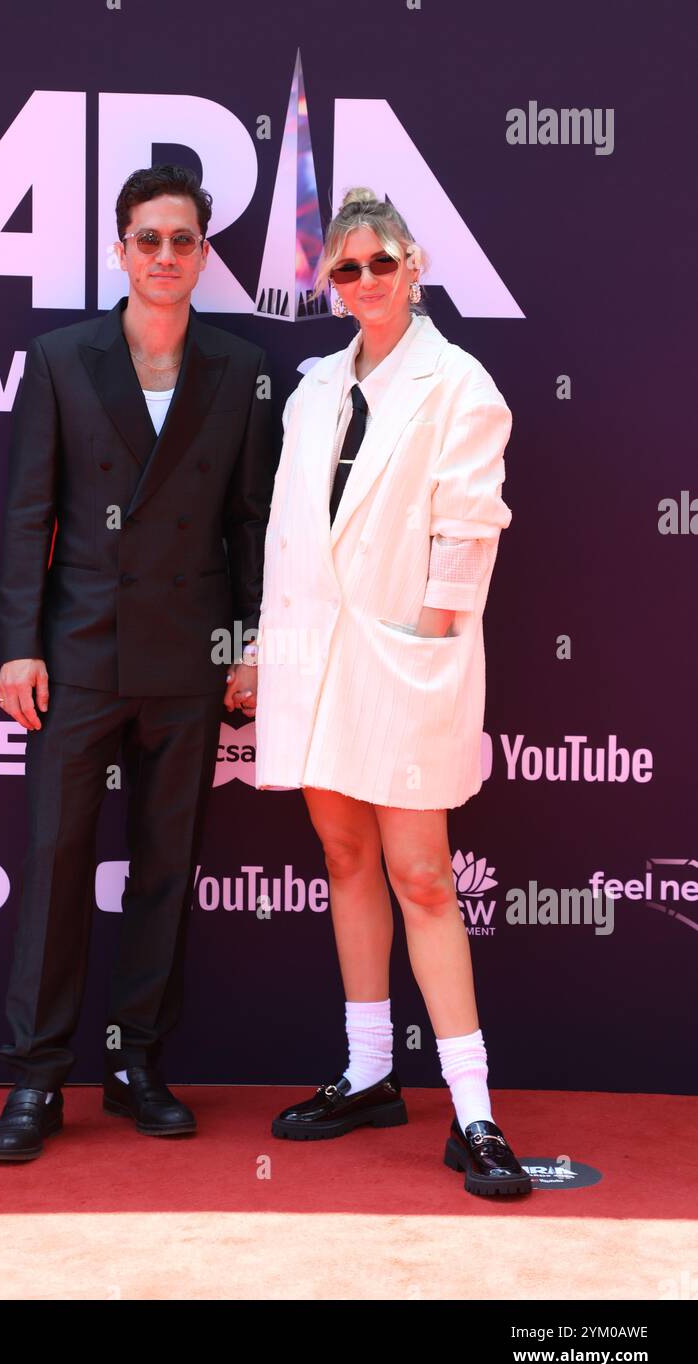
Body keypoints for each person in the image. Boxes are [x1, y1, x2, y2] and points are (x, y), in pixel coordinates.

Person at [0, 164, 275, 1162]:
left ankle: (137, 1066)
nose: (164, 256)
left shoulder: (239, 370)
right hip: (78, 653)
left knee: (165, 867)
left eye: (182, 240)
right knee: (58, 861)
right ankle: (34, 1079)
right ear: (120, 251)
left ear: (201, 254)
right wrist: (19, 642)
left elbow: (249, 525)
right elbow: (31, 512)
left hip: (190, 657)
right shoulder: (62, 358)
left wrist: (245, 646)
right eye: (147, 239)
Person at [250, 186, 531, 1198]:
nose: (362, 280)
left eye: (379, 262)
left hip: (403, 663)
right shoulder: (313, 384)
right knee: (342, 853)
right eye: (344, 268)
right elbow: (290, 531)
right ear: (328, 284)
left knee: (421, 874)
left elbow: (468, 530)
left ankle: (474, 1108)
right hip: (312, 659)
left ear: (413, 268)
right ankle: (368, 1070)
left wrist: (430, 641)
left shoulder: (460, 383)